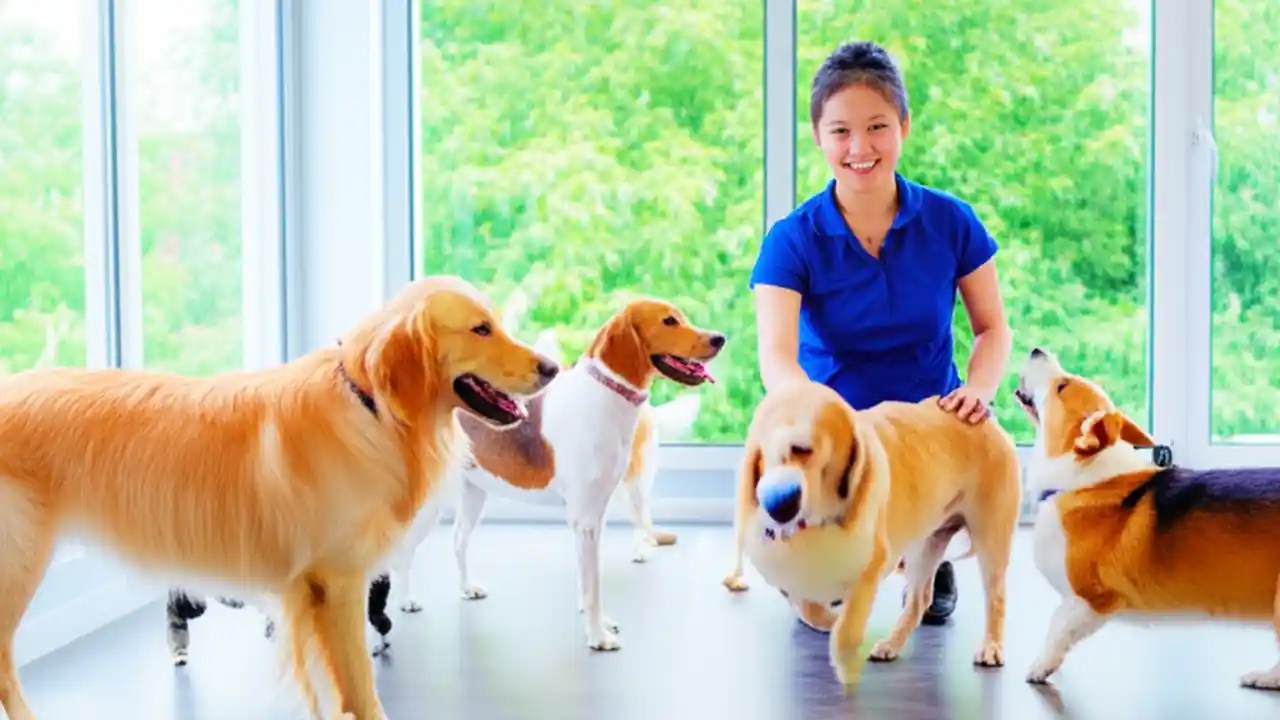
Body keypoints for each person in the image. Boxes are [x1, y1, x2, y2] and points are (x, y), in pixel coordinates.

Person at [749, 40, 1013, 625]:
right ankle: (818, 549)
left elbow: (992, 329)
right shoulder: (791, 240)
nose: (859, 148)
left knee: (923, 589)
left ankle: (926, 551)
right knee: (826, 605)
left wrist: (980, 390)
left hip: (928, 430)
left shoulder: (951, 220)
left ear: (903, 127)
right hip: (838, 432)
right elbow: (776, 354)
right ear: (818, 135)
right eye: (840, 131)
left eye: (877, 127)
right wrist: (818, 413)